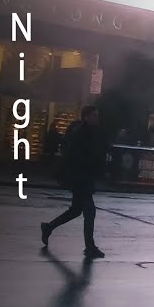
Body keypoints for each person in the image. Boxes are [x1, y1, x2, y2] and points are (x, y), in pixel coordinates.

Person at [41, 105, 107, 258]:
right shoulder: (82, 134)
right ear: (87, 117)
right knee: (90, 212)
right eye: (94, 115)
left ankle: (48, 227)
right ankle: (89, 247)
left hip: (82, 179)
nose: (97, 118)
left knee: (76, 210)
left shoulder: (89, 132)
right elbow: (78, 158)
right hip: (80, 179)